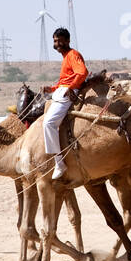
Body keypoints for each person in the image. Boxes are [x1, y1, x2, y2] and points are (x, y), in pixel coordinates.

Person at [42, 27, 87, 180]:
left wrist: (72, 87)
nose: (58, 43)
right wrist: (52, 88)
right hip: (61, 91)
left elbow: (82, 73)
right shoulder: (66, 57)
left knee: (49, 123)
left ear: (68, 40)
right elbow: (64, 80)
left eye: (61, 40)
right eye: (55, 41)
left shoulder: (73, 55)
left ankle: (59, 162)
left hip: (67, 94)